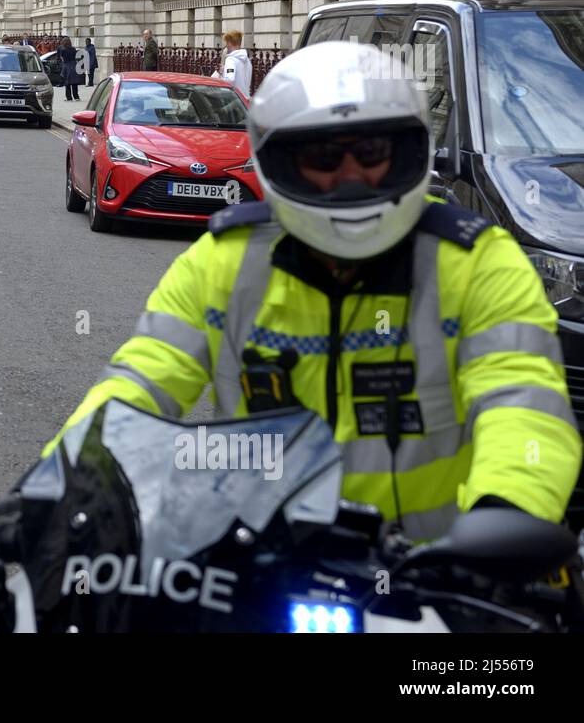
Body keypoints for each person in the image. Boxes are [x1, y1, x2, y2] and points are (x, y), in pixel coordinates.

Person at [42, 41, 580, 540]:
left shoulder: (476, 261)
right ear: (279, 163)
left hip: (443, 572)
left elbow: (523, 402)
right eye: (322, 158)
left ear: (410, 151)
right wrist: (60, 488)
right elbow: (138, 381)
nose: (351, 178)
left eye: (373, 151)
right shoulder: (227, 260)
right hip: (260, 562)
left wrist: (507, 515)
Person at [213, 29, 252, 98]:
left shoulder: (231, 59)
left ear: (230, 43)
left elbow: (230, 79)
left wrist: (221, 75)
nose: (226, 45)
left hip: (233, 99)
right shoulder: (247, 60)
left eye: (227, 42)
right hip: (245, 99)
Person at [59, 36, 80, 101]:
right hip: (73, 65)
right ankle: (76, 97)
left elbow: (62, 58)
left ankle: (69, 97)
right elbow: (76, 57)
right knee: (74, 82)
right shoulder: (73, 49)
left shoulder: (63, 50)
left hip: (66, 66)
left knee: (67, 82)